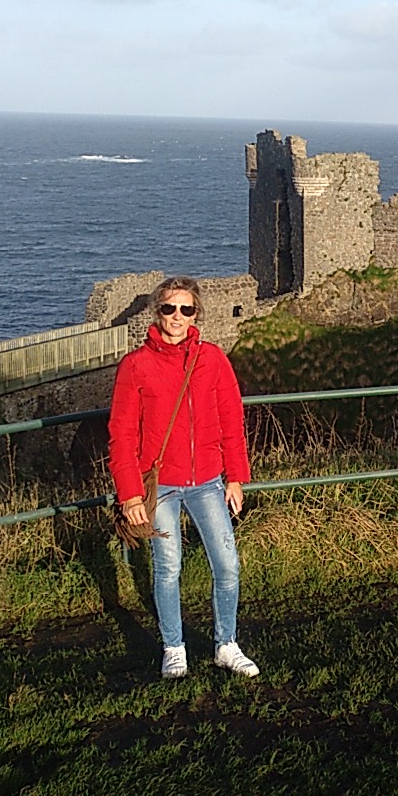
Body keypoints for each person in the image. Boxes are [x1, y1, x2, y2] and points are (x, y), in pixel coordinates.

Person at [108, 276, 259, 679]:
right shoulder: (135, 366)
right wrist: (129, 494)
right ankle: (174, 647)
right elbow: (121, 435)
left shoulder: (211, 358)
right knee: (167, 567)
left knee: (227, 564)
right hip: (160, 485)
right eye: (169, 308)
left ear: (196, 314)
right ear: (157, 312)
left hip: (209, 480)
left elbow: (231, 419)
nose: (177, 316)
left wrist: (236, 477)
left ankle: (226, 644)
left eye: (185, 309)